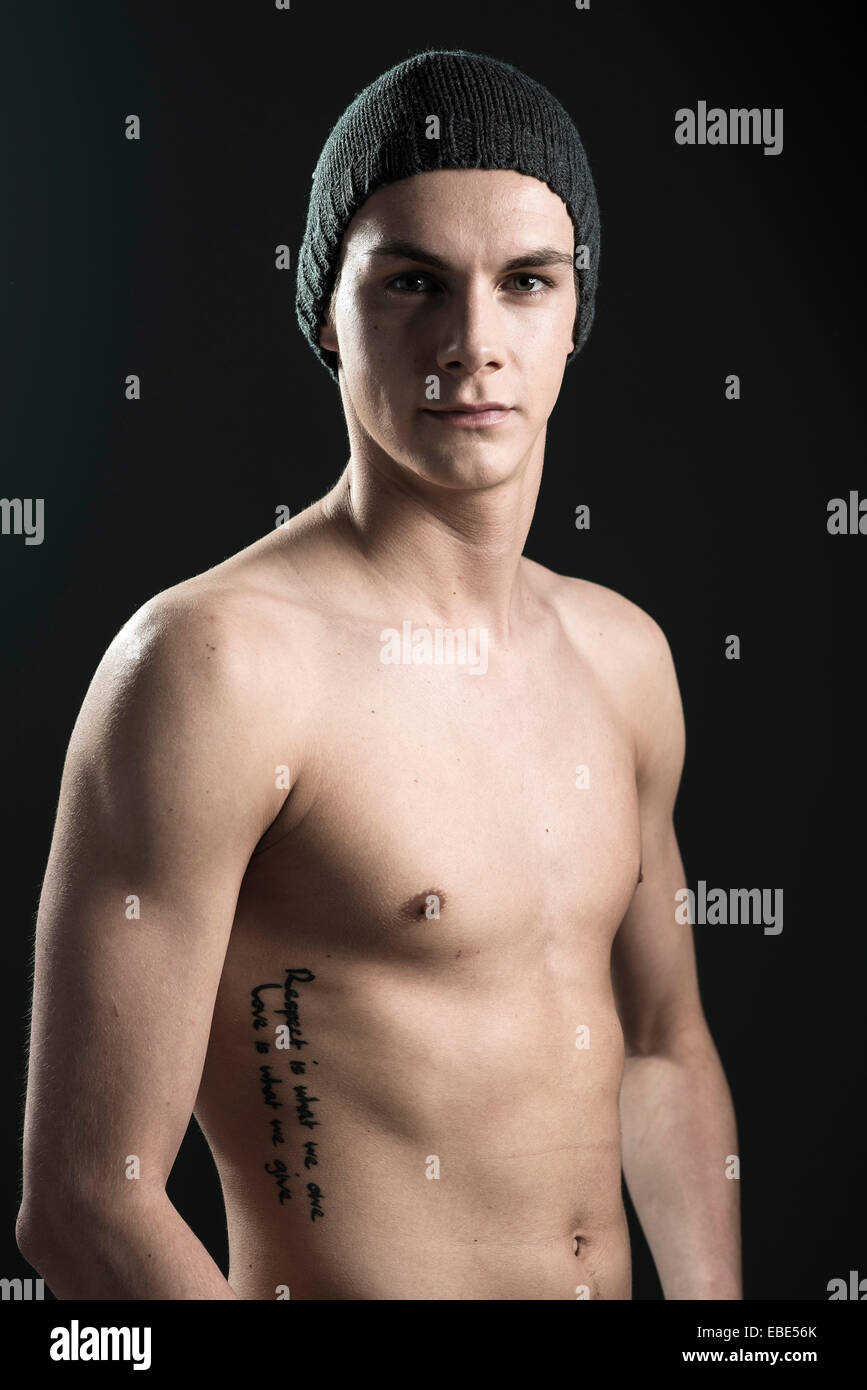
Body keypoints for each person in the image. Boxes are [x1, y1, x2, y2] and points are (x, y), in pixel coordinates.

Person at [16, 49, 741, 1300]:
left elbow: (663, 1050)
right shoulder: (211, 665)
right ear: (324, 312)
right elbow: (86, 1202)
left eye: (525, 281)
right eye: (412, 282)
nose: (473, 341)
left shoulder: (626, 657)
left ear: (577, 311)